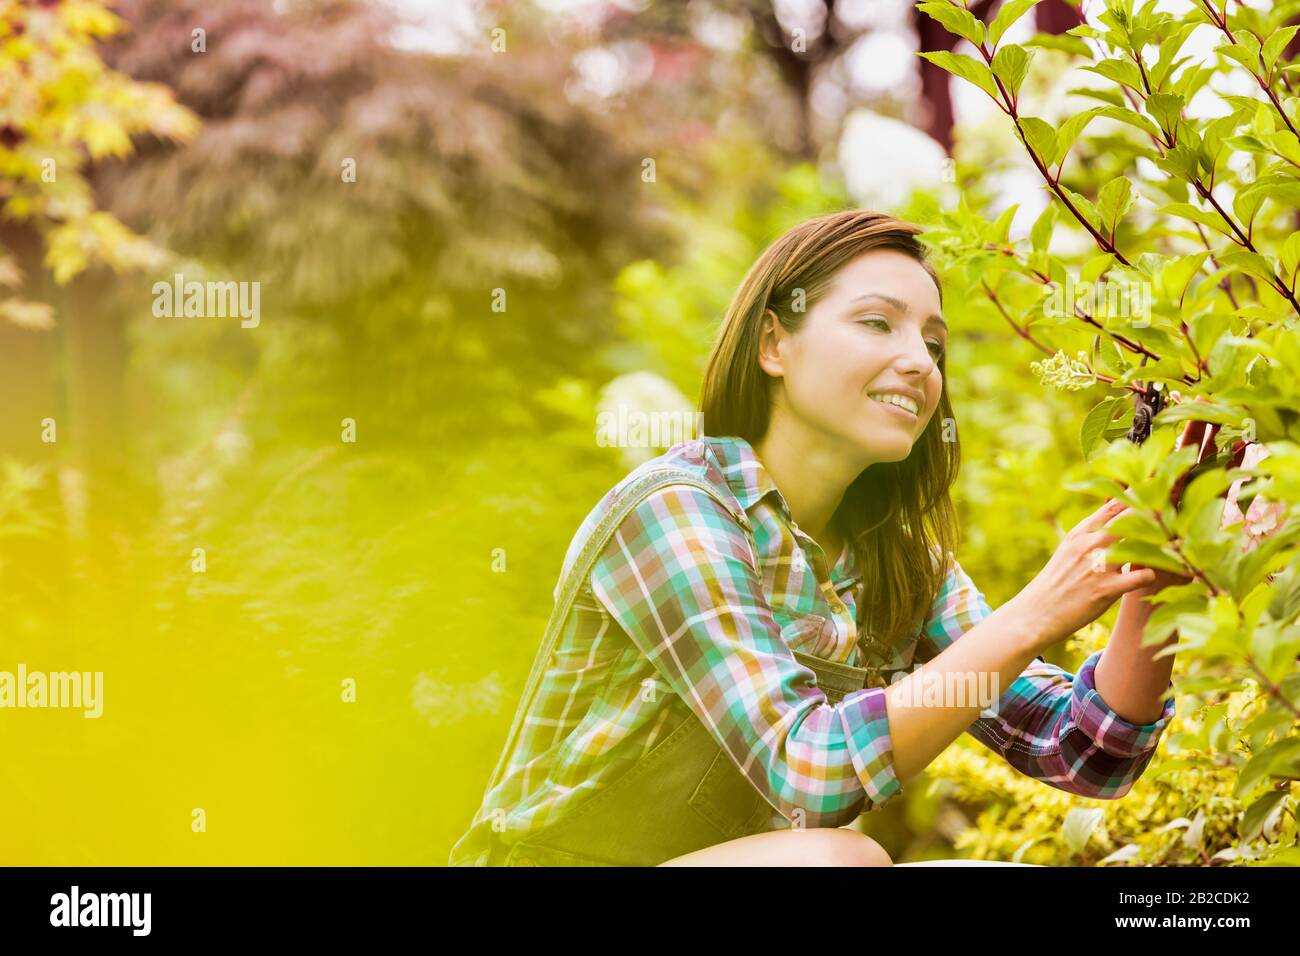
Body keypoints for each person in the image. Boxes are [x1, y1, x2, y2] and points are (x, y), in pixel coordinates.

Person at [448, 209, 1178, 867]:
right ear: (774, 343)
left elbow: (1085, 752)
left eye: (934, 344)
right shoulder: (674, 513)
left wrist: (1154, 574)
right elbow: (811, 775)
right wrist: (1035, 613)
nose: (921, 363)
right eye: (876, 323)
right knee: (840, 862)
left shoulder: (897, 560)